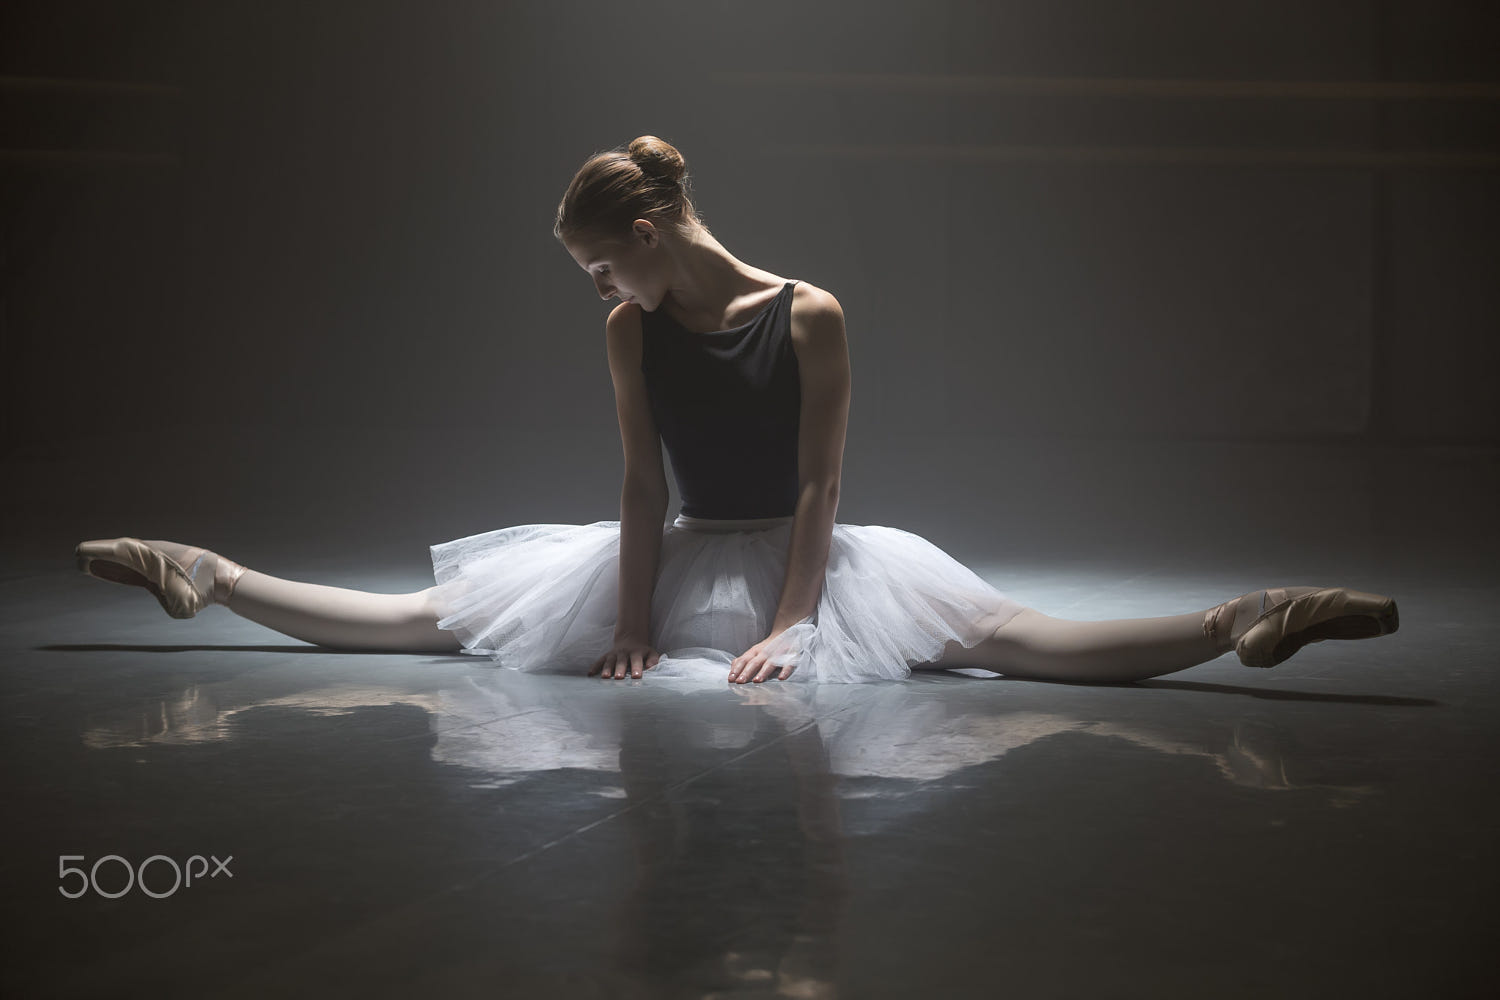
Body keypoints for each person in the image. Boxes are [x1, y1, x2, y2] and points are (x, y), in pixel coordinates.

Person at [74, 135, 1400, 685]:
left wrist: (796, 621)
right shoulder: (629, 330)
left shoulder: (809, 313)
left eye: (604, 263)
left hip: (808, 559)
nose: (599, 287)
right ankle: (213, 570)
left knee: (1014, 634)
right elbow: (644, 492)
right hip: (684, 550)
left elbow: (820, 490)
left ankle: (1243, 615)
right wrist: (639, 622)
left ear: (651, 228)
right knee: (435, 622)